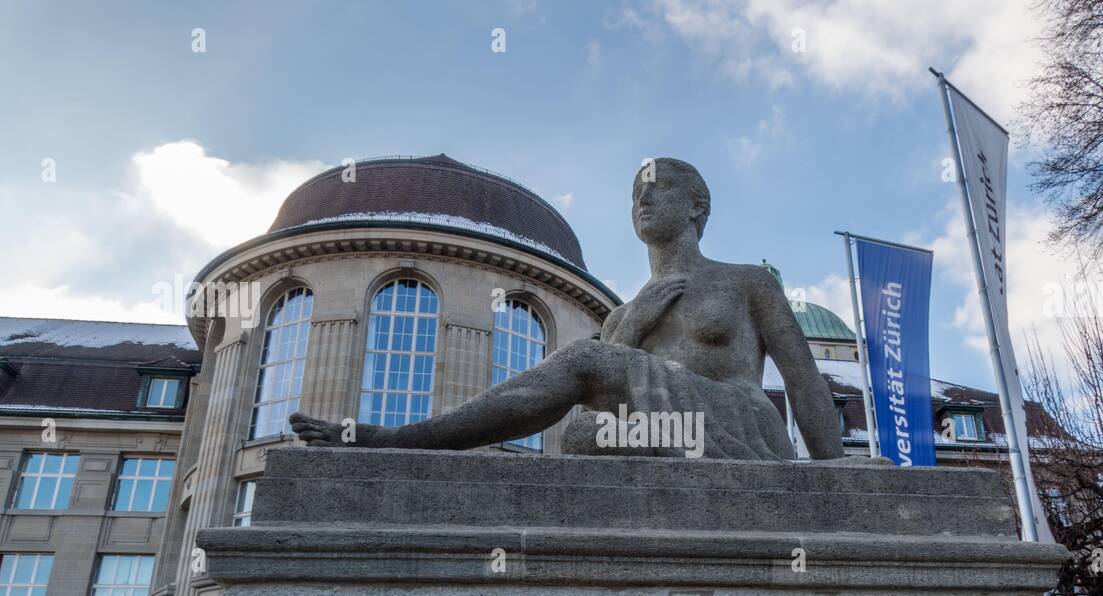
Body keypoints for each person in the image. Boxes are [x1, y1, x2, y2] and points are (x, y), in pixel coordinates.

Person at [290, 158, 844, 461]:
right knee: (581, 437)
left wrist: (834, 466)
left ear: (697, 206)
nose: (643, 201)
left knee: (586, 362)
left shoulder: (744, 281)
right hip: (675, 434)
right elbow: (608, 390)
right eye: (634, 194)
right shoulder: (625, 313)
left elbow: (803, 378)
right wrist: (636, 318)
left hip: (742, 427)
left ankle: (403, 440)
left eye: (658, 188)